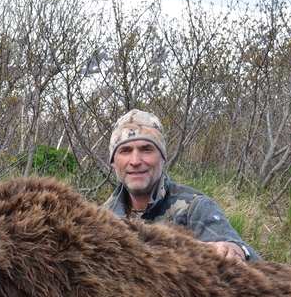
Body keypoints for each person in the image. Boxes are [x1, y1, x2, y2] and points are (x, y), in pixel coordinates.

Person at [101, 109, 260, 263]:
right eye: (125, 151)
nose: (135, 161)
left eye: (146, 149)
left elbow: (238, 248)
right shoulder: (100, 219)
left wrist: (233, 249)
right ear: (113, 162)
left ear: (162, 158)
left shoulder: (194, 207)